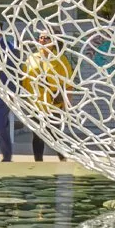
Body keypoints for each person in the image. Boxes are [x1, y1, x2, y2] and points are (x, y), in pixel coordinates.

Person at [21, 31, 71, 162]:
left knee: (55, 135)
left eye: (46, 38)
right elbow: (25, 80)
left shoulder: (60, 59)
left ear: (53, 41)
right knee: (37, 135)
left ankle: (63, 160)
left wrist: (66, 103)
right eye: (40, 38)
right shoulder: (31, 58)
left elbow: (68, 83)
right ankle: (38, 163)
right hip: (36, 104)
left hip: (54, 104)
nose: (42, 41)